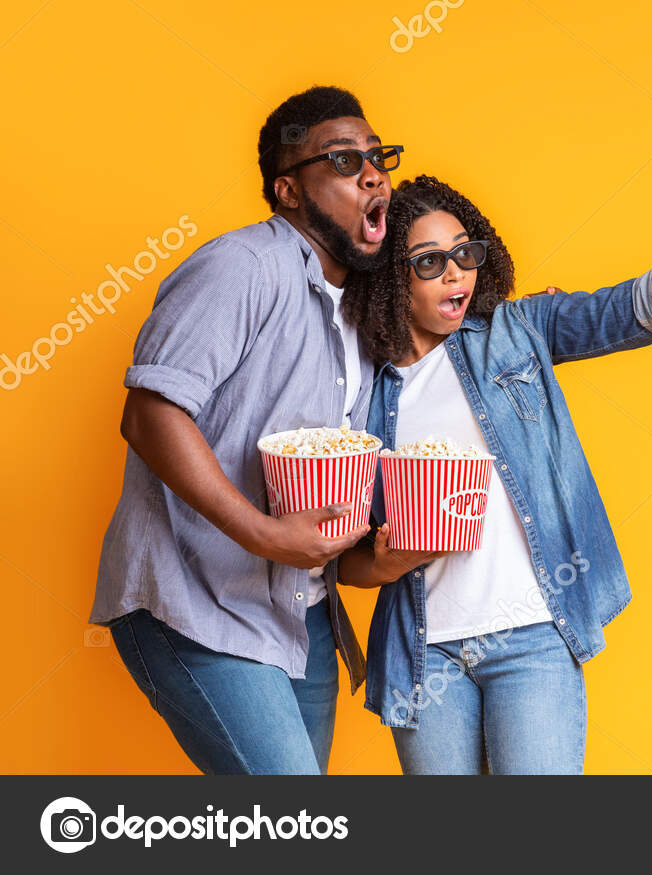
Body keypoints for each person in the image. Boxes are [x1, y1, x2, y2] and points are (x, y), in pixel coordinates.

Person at [338, 175, 652, 773]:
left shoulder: (516, 333)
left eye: (463, 253)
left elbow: (633, 310)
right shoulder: (359, 392)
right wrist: (387, 563)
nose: (455, 273)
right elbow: (340, 557)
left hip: (532, 637)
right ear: (390, 279)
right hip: (424, 655)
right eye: (429, 262)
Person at [91, 86, 402, 774]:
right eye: (346, 160)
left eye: (379, 158)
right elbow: (148, 413)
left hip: (301, 614)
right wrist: (264, 534)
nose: (375, 174)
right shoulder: (240, 267)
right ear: (289, 191)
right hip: (195, 601)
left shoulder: (358, 310)